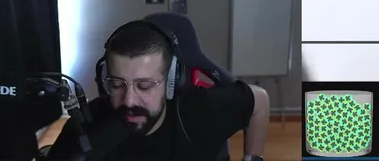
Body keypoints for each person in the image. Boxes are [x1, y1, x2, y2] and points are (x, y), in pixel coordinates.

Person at [46, 21, 269, 161]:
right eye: (117, 84)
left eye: (144, 86)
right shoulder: (86, 128)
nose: (129, 100)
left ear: (171, 82)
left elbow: (259, 100)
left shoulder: (201, 113)